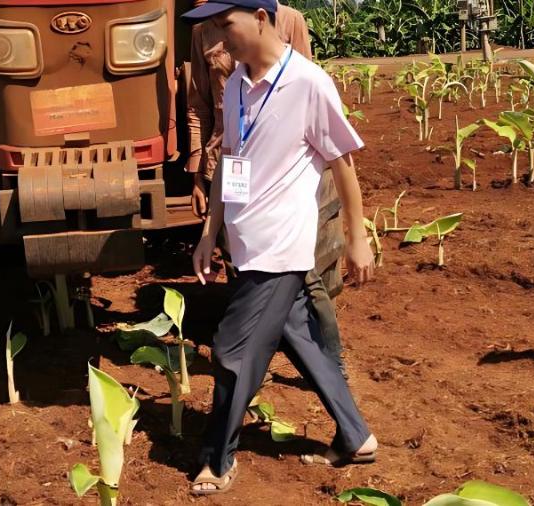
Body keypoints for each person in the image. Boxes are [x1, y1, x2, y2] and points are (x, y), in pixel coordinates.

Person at [183, 0, 378, 495]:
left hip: (280, 244)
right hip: (244, 241)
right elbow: (230, 159)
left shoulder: (309, 83)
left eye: (226, 26)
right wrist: (210, 232)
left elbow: (343, 165)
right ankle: (356, 436)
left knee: (232, 349)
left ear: (262, 19)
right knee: (301, 339)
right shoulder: (235, 84)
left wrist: (358, 239)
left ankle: (218, 459)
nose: (219, 41)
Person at [186, 0, 349, 377]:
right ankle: (258, 359)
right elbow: (200, 104)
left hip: (282, 178)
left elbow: (306, 100)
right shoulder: (201, 31)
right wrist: (198, 169)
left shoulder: (288, 20)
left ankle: (331, 365)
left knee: (304, 276)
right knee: (242, 270)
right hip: (232, 168)